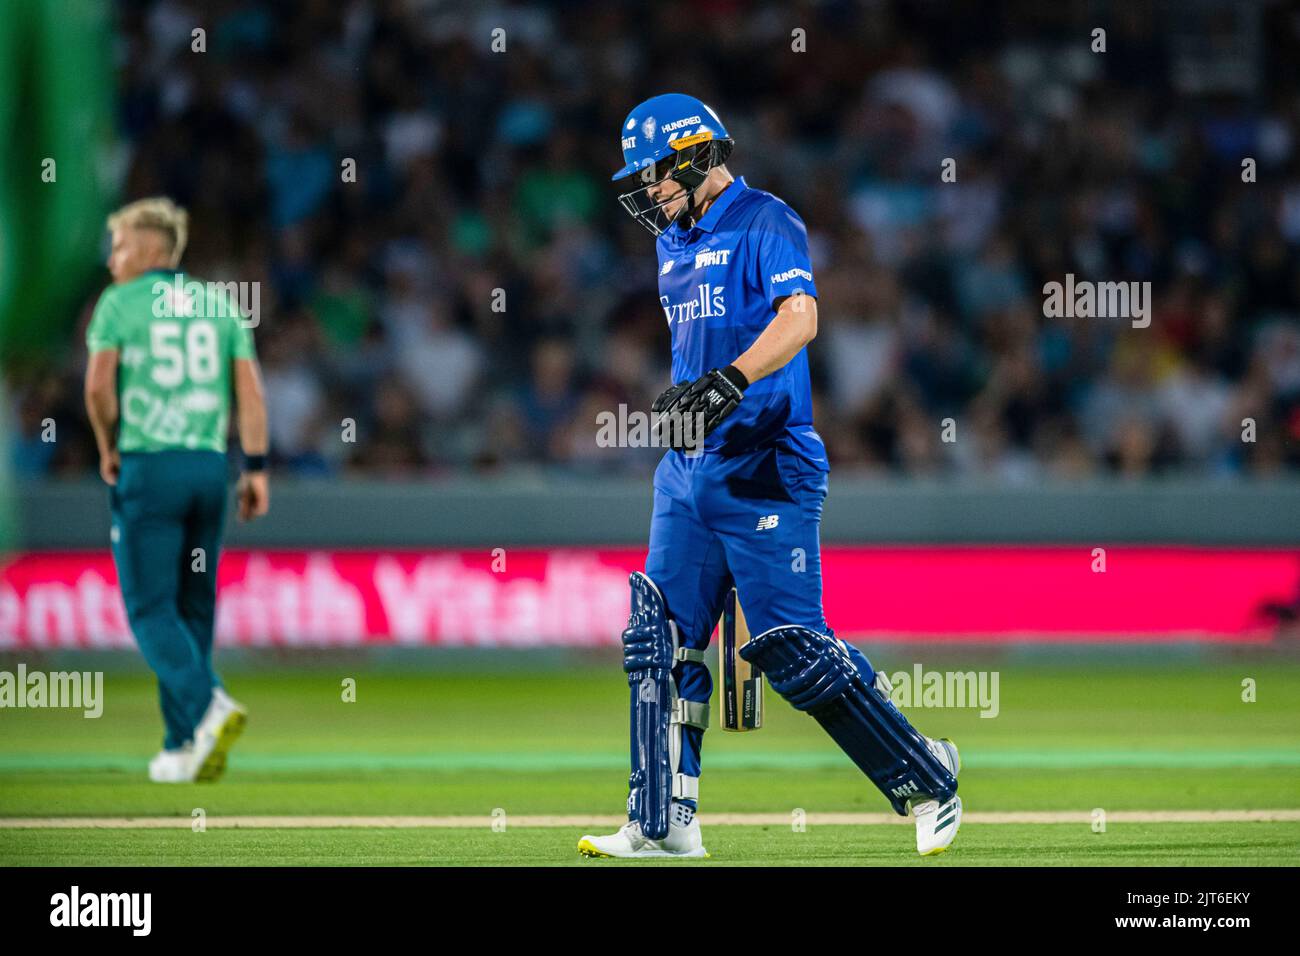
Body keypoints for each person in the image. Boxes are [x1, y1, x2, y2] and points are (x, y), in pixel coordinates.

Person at [578, 94, 961, 859]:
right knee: (660, 637)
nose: (647, 192)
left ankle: (929, 773)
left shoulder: (767, 219)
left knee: (789, 647)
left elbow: (799, 319)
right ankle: (661, 820)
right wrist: (690, 401)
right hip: (689, 470)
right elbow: (700, 348)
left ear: (695, 156)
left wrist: (726, 383)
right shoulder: (671, 242)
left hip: (767, 462)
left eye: (655, 174)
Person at [84, 197, 269, 782]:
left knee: (147, 607)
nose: (112, 258)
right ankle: (182, 743)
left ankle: (208, 702)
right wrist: (257, 467)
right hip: (209, 471)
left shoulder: (118, 304)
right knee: (192, 606)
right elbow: (252, 394)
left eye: (120, 246)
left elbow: (96, 388)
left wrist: (108, 444)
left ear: (151, 250)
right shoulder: (221, 304)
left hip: (150, 466)